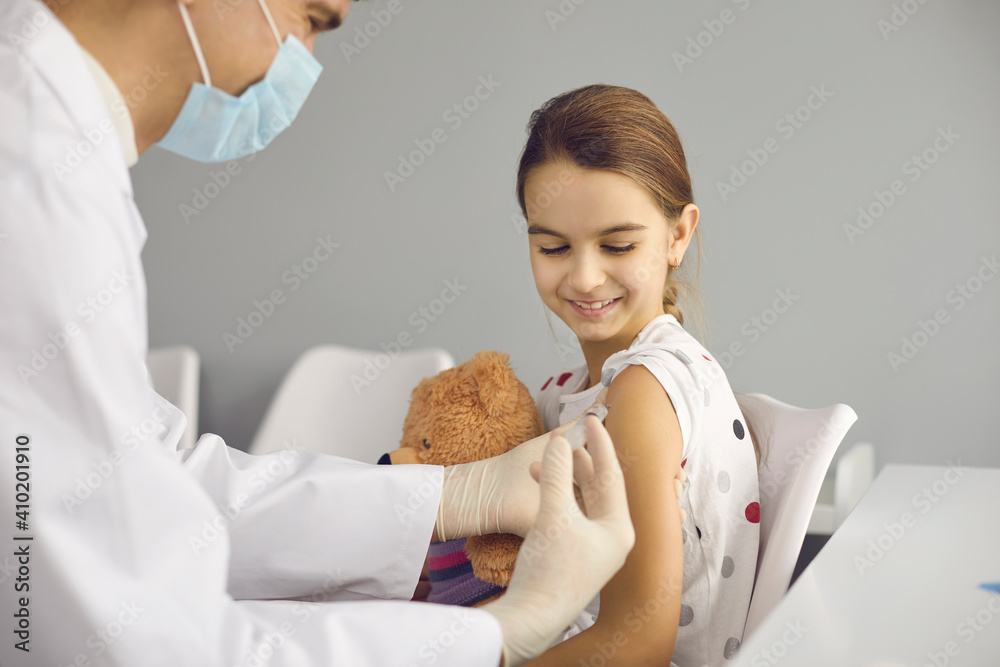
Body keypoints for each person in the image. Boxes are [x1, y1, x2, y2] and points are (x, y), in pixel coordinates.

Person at [0, 2, 647, 665]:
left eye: (620, 243)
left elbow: (162, 494)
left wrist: (448, 498)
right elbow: (146, 641)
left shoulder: (50, 151)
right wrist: (499, 633)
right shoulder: (38, 186)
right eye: (311, 17)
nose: (302, 61)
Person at [515, 84, 763, 665]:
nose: (584, 277)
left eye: (618, 245)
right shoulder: (572, 390)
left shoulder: (644, 391)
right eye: (552, 247)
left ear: (678, 236)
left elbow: (638, 645)